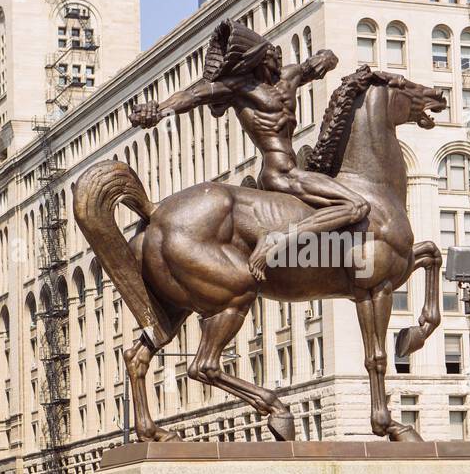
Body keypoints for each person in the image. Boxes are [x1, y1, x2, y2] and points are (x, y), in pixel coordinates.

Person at [129, 20, 374, 281]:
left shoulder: (289, 77)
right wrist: (160, 110)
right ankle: (274, 241)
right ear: (256, 60)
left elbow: (319, 63)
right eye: (270, 54)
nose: (277, 57)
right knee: (357, 205)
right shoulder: (239, 88)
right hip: (280, 173)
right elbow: (192, 96)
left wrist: (326, 58)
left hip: (296, 169)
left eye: (277, 53)